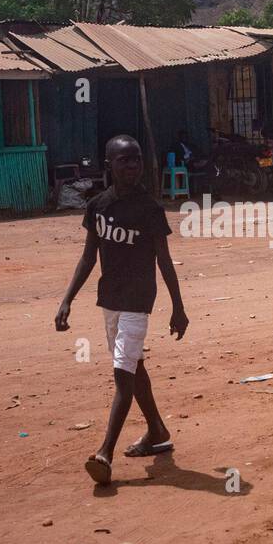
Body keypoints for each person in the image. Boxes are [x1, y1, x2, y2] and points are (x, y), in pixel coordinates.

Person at [55, 135, 189, 486]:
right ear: (109, 165)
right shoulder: (97, 206)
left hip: (137, 302)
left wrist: (178, 307)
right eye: (124, 160)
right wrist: (67, 299)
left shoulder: (150, 209)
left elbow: (164, 261)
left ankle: (105, 452)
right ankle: (157, 431)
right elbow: (88, 256)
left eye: (137, 159)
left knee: (123, 374)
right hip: (109, 300)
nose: (132, 166)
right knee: (134, 366)